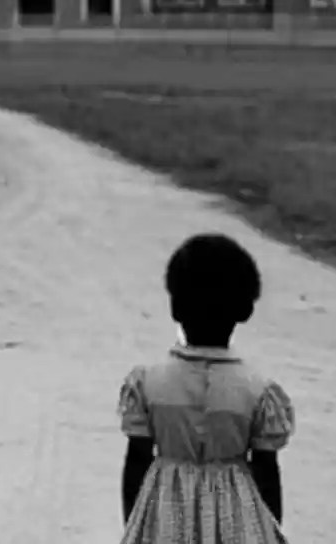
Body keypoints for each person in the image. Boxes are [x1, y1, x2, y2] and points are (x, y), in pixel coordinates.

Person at [118, 233, 294, 544]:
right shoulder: (258, 391)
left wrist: (134, 527)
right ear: (245, 310)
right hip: (238, 521)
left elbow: (137, 462)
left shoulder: (148, 383)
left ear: (175, 307)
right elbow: (266, 471)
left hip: (164, 520)